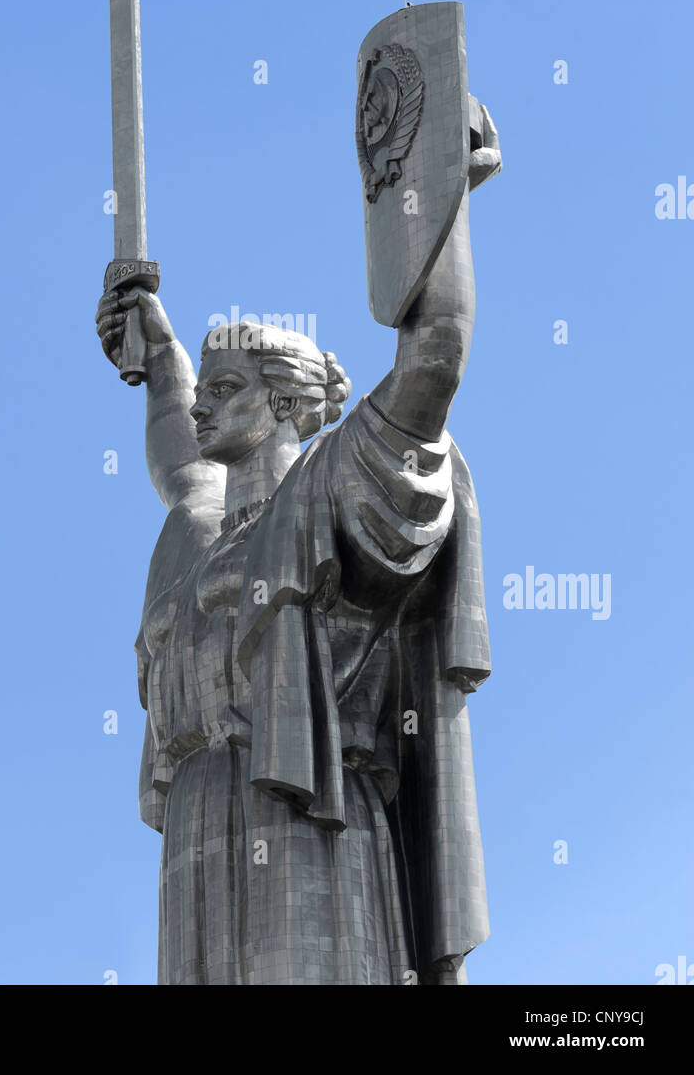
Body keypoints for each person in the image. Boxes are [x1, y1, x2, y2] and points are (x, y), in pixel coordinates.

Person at [96, 107, 501, 986]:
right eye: (205, 389)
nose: (204, 407)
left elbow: (435, 356)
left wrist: (438, 204)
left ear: (286, 405)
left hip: (307, 813)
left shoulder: (334, 492)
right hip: (201, 823)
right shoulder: (197, 524)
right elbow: (173, 440)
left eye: (227, 389)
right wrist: (157, 346)